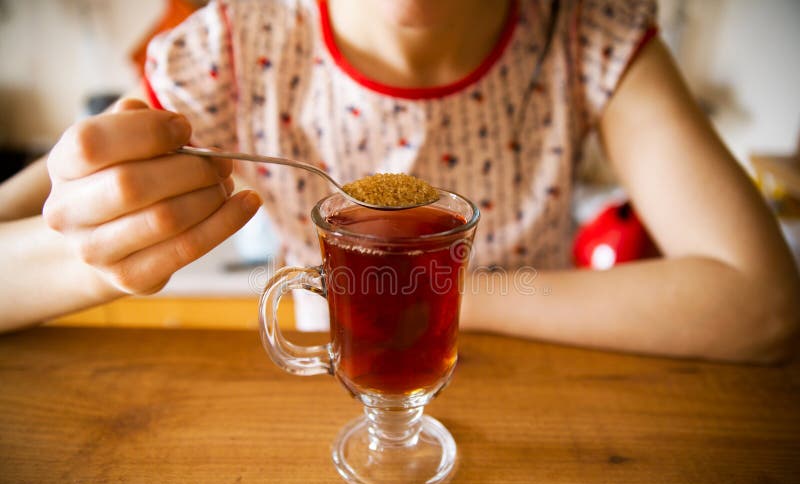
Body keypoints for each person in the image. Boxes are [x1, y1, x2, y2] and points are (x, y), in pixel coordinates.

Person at [0, 0, 797, 362]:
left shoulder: (588, 32)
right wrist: (95, 239)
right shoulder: (234, 46)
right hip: (326, 392)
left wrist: (430, 295)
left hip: (549, 382)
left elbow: (761, 303)